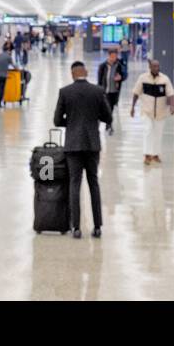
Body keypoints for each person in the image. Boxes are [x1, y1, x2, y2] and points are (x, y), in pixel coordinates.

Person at [53, 61, 113, 238]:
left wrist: (71, 122)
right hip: (92, 144)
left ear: (72, 74)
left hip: (73, 145)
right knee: (93, 183)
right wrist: (94, 118)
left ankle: (76, 227)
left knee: (74, 184)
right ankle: (97, 226)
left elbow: (57, 121)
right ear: (85, 72)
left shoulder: (65, 92)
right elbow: (108, 117)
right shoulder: (98, 91)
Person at [130, 57, 174, 164]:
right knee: (148, 131)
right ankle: (147, 155)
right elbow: (136, 93)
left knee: (158, 133)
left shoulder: (165, 79)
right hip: (147, 111)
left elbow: (171, 94)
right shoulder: (143, 78)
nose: (156, 68)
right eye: (154, 66)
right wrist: (132, 107)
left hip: (161, 112)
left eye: (158, 66)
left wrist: (172, 107)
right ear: (150, 67)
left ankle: (155, 155)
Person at [97, 47, 127, 134]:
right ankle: (109, 125)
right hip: (105, 91)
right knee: (108, 108)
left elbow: (124, 75)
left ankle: (107, 123)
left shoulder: (119, 65)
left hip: (114, 91)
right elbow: (99, 80)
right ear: (109, 56)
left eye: (115, 56)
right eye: (112, 56)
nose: (114, 58)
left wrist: (121, 78)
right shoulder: (102, 66)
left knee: (111, 108)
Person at [0, 40, 15, 107]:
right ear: (8, 51)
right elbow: (13, 65)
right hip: (3, 76)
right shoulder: (8, 57)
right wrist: (18, 69)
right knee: (2, 89)